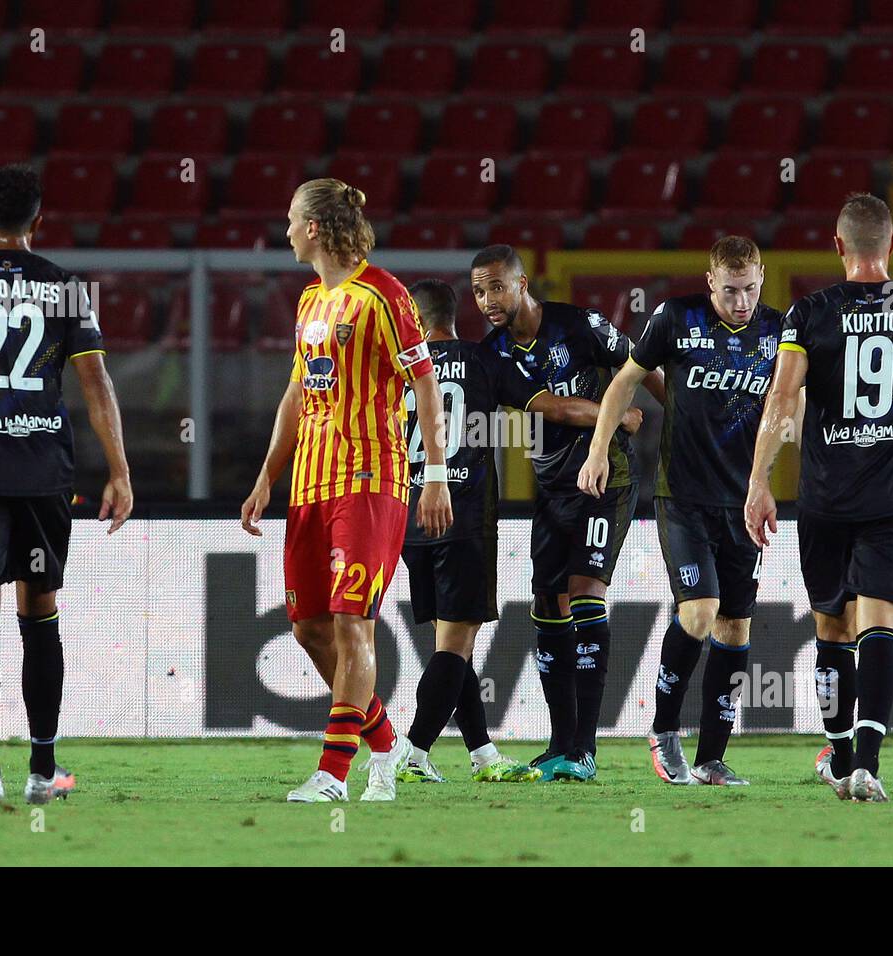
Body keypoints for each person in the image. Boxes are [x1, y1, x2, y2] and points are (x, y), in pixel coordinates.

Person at [0, 163, 132, 807]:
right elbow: (96, 386)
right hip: (43, 475)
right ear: (39, 221)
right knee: (40, 612)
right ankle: (43, 771)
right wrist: (119, 471)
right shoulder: (66, 289)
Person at [744, 194, 893, 802]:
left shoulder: (807, 314)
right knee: (881, 627)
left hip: (825, 500)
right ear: (892, 246)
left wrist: (759, 481)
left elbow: (781, 401)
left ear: (838, 246)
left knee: (831, 627)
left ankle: (841, 757)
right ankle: (867, 765)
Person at [241, 179, 452, 803]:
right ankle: (383, 742)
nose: (283, 230)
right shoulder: (309, 300)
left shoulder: (383, 294)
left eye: (288, 220)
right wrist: (267, 476)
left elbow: (426, 385)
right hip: (309, 481)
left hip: (369, 479)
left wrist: (435, 473)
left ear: (313, 228)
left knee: (352, 620)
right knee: (308, 627)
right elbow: (296, 395)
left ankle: (334, 774)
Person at [398, 279, 642, 784]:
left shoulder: (395, 368)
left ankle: (483, 752)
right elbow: (553, 406)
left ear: (416, 322)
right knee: (454, 647)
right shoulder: (483, 359)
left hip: (410, 518)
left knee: (451, 644)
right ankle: (412, 750)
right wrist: (619, 416)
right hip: (463, 518)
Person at [579, 236, 790, 786]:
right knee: (699, 612)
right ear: (710, 282)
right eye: (729, 291)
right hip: (683, 499)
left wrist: (768, 481)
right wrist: (598, 449)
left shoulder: (777, 331)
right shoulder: (676, 318)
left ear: (762, 277)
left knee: (735, 628)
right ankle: (665, 729)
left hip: (741, 502)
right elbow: (626, 379)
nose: (741, 301)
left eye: (749, 289)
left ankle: (712, 758)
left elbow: (790, 404)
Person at [471, 245, 664, 781]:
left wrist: (685, 420)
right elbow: (551, 408)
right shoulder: (494, 355)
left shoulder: (579, 326)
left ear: (522, 283)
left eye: (496, 288)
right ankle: (561, 743)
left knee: (584, 591)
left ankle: (584, 748)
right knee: (547, 603)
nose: (487, 300)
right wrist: (615, 414)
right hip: (552, 486)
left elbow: (643, 364)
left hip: (607, 479)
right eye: (478, 291)